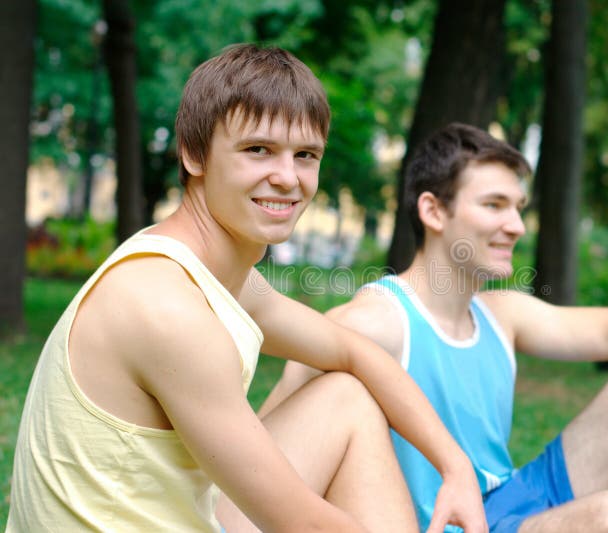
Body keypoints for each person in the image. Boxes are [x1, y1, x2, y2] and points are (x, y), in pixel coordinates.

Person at [7, 47, 487, 533]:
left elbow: (352, 352)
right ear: (194, 155)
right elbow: (299, 523)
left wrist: (456, 467)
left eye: (305, 155)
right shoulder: (165, 306)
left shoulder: (213, 274)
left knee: (347, 398)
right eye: (258, 149)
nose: (286, 178)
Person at [266, 123, 608, 532]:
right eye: (494, 205)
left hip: (511, 501)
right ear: (433, 210)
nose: (517, 225)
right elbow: (271, 444)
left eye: (518, 208)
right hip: (449, 524)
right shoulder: (376, 320)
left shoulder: (500, 312)